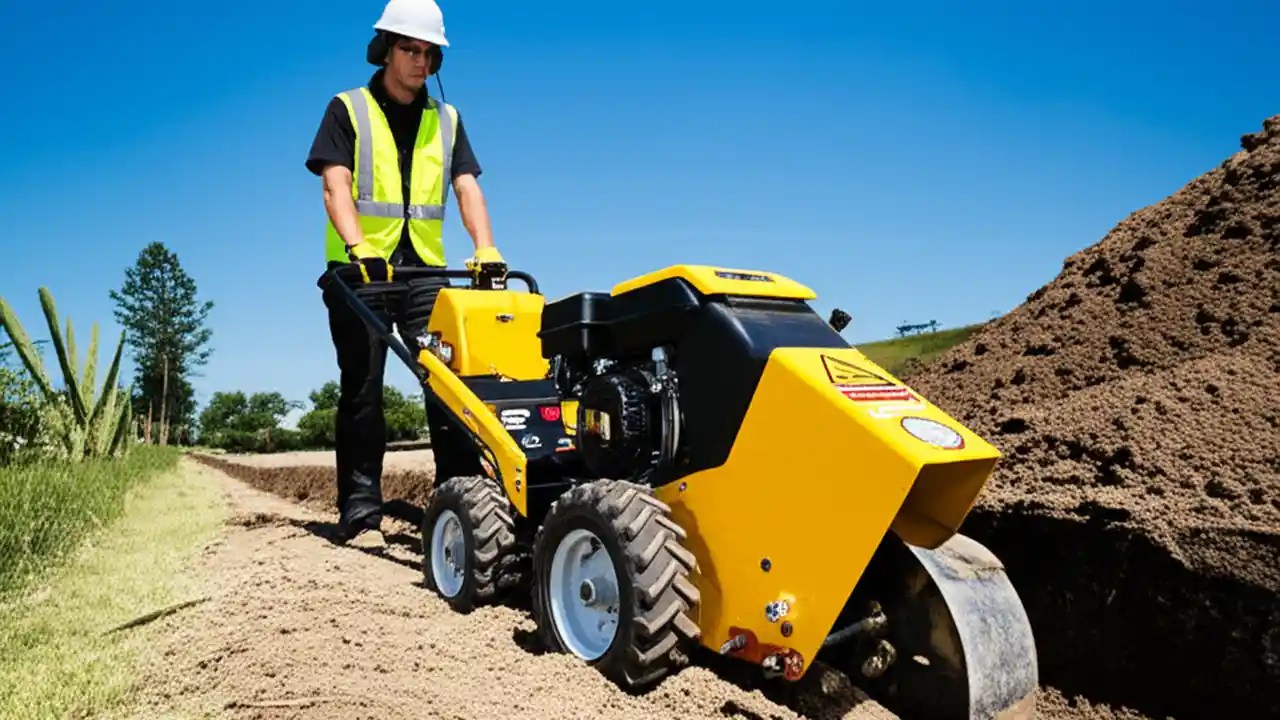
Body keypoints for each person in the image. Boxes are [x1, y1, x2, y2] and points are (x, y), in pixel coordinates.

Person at [305, 0, 500, 546]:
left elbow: (467, 187)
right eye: (409, 49)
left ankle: (459, 509)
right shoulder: (348, 109)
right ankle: (361, 513)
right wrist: (358, 243)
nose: (419, 60)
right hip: (361, 269)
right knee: (363, 390)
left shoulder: (449, 119)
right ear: (386, 48)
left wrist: (485, 247)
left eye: (428, 52)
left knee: (446, 385)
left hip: (425, 273)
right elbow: (335, 184)